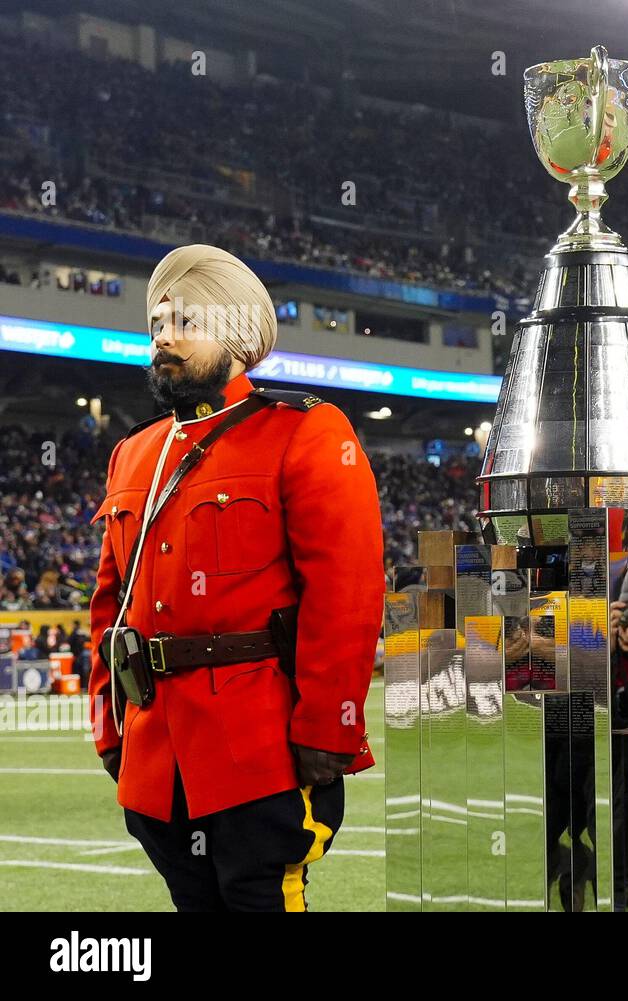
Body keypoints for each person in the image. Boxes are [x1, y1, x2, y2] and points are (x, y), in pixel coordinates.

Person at [88, 244, 384, 911]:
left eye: (185, 321)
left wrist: (326, 732)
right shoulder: (132, 453)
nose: (165, 338)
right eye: (157, 324)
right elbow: (109, 608)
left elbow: (347, 595)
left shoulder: (304, 431)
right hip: (157, 759)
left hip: (261, 750)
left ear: (238, 333)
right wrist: (111, 726)